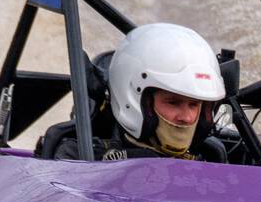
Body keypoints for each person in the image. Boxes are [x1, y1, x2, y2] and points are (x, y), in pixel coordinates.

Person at [53, 23, 226, 161]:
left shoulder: (212, 156)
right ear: (133, 99)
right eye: (173, 102)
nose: (187, 117)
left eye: (194, 105)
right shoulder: (81, 157)